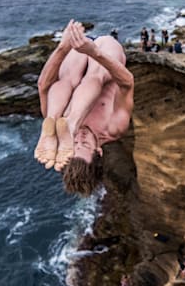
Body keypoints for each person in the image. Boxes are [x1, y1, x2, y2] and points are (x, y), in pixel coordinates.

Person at [34, 21, 135, 196]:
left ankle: (63, 118)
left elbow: (43, 85)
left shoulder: (58, 124)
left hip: (74, 61)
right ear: (98, 151)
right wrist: (94, 52)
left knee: (67, 80)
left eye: (74, 143)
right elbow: (127, 83)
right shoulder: (113, 127)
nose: (80, 137)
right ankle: (72, 121)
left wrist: (62, 48)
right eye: (86, 144)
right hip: (104, 51)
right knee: (95, 77)